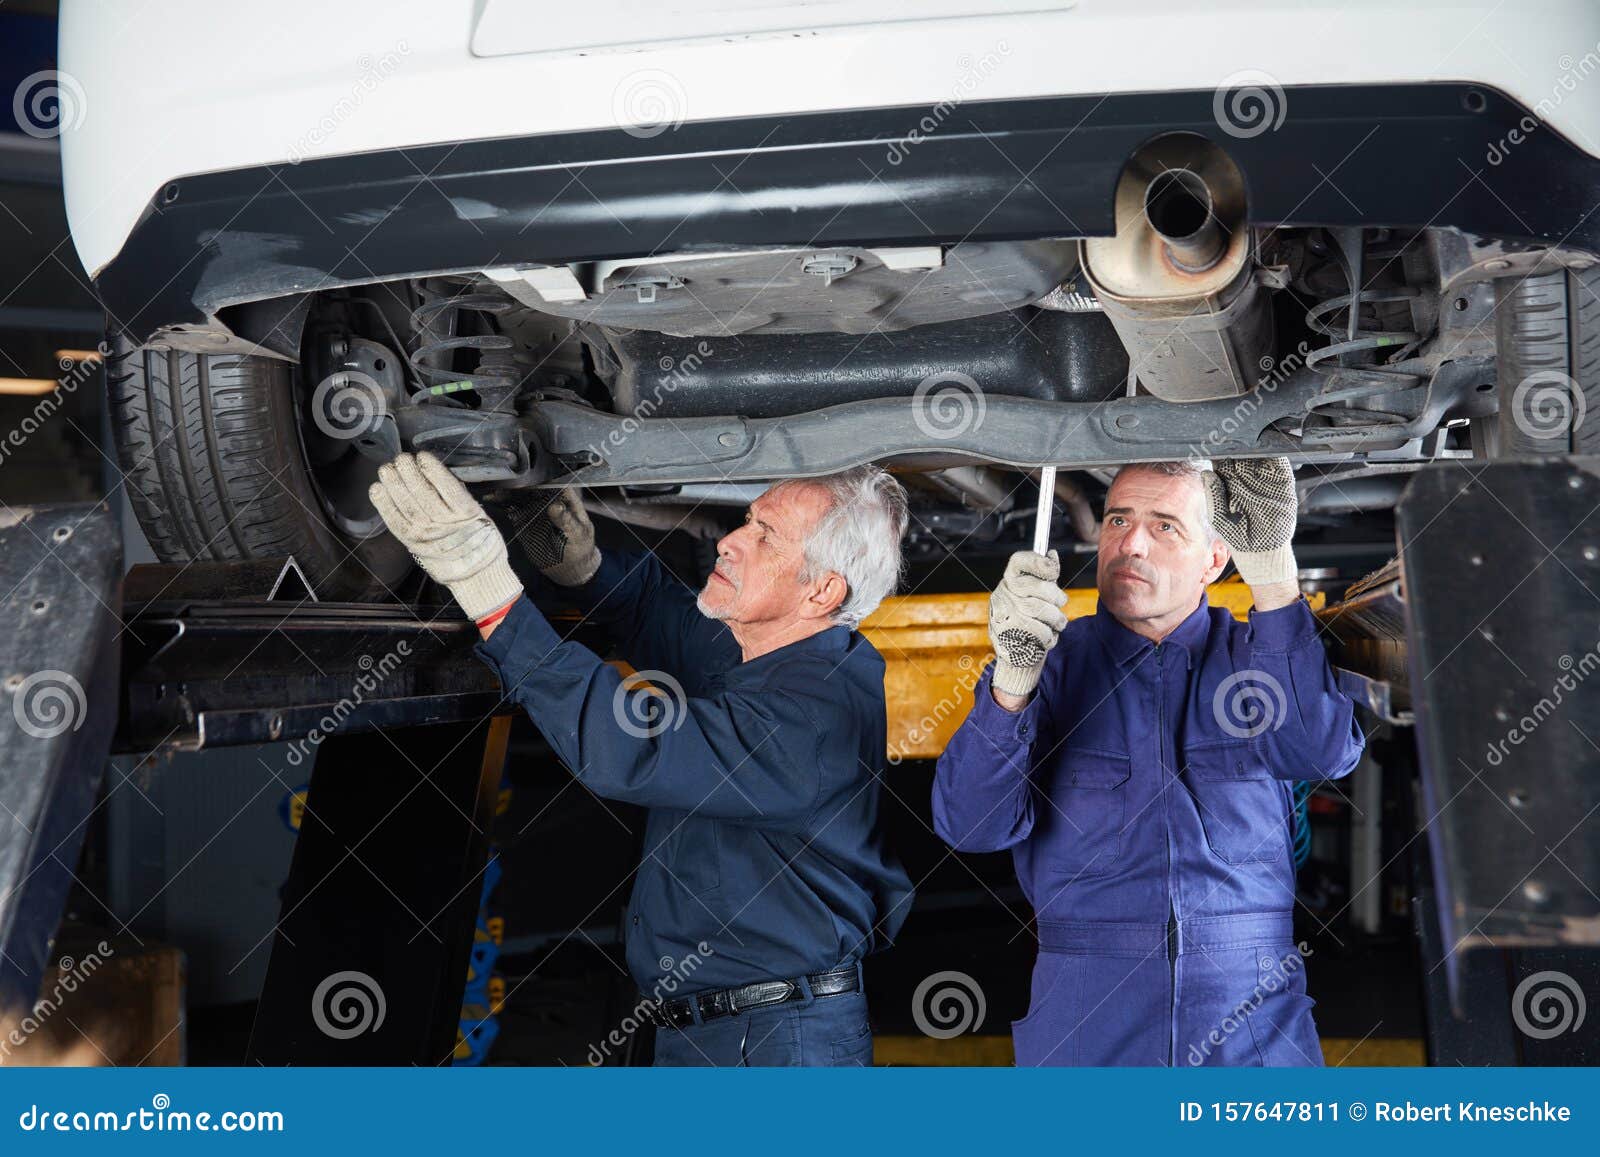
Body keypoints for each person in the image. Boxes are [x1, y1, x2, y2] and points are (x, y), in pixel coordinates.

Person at [369, 452, 913, 1066]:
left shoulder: (809, 721)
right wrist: (585, 571)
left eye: (766, 537)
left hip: (774, 1047)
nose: (730, 542)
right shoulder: (784, 651)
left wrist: (489, 592)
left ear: (822, 589)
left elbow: (629, 745)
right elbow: (667, 620)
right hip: (732, 1030)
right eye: (748, 520)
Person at [933, 458, 1364, 1066]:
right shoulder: (1047, 665)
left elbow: (1320, 753)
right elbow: (971, 826)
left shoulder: (1256, 656)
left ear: (1214, 560)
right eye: (1118, 519)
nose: (1130, 543)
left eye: (1165, 526)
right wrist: (1011, 681)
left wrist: (1273, 579)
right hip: (1088, 1010)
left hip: (1251, 1012)